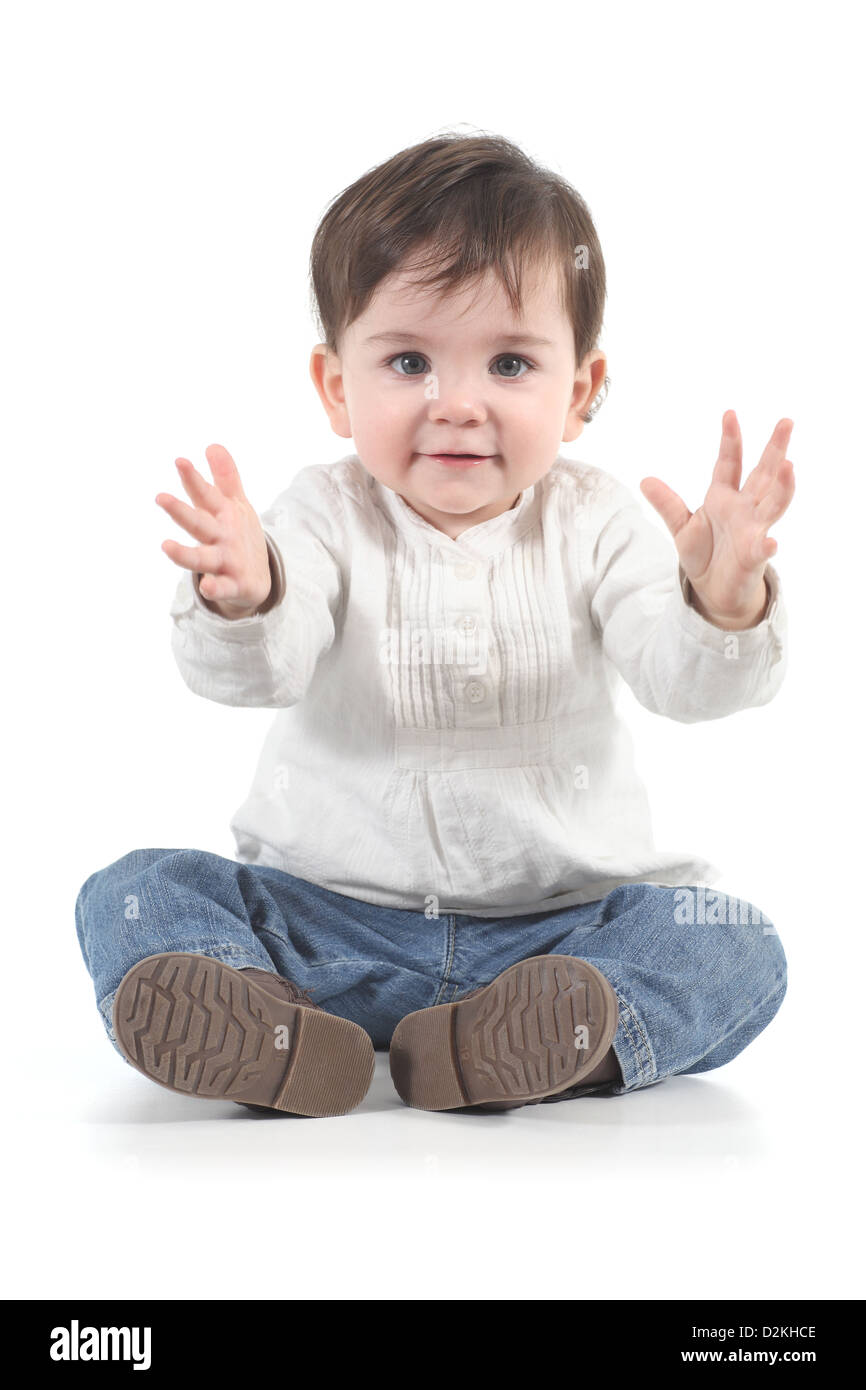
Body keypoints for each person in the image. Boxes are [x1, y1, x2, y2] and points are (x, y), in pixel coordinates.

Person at [75, 132, 793, 1117]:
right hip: (327, 925)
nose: (456, 404)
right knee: (135, 889)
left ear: (578, 391)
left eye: (507, 362)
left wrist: (718, 605)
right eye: (408, 361)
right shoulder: (319, 514)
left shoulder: (598, 521)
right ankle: (263, 1025)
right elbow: (264, 669)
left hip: (557, 932)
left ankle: (548, 1034)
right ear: (337, 386)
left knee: (729, 940)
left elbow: (684, 679)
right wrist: (243, 598)